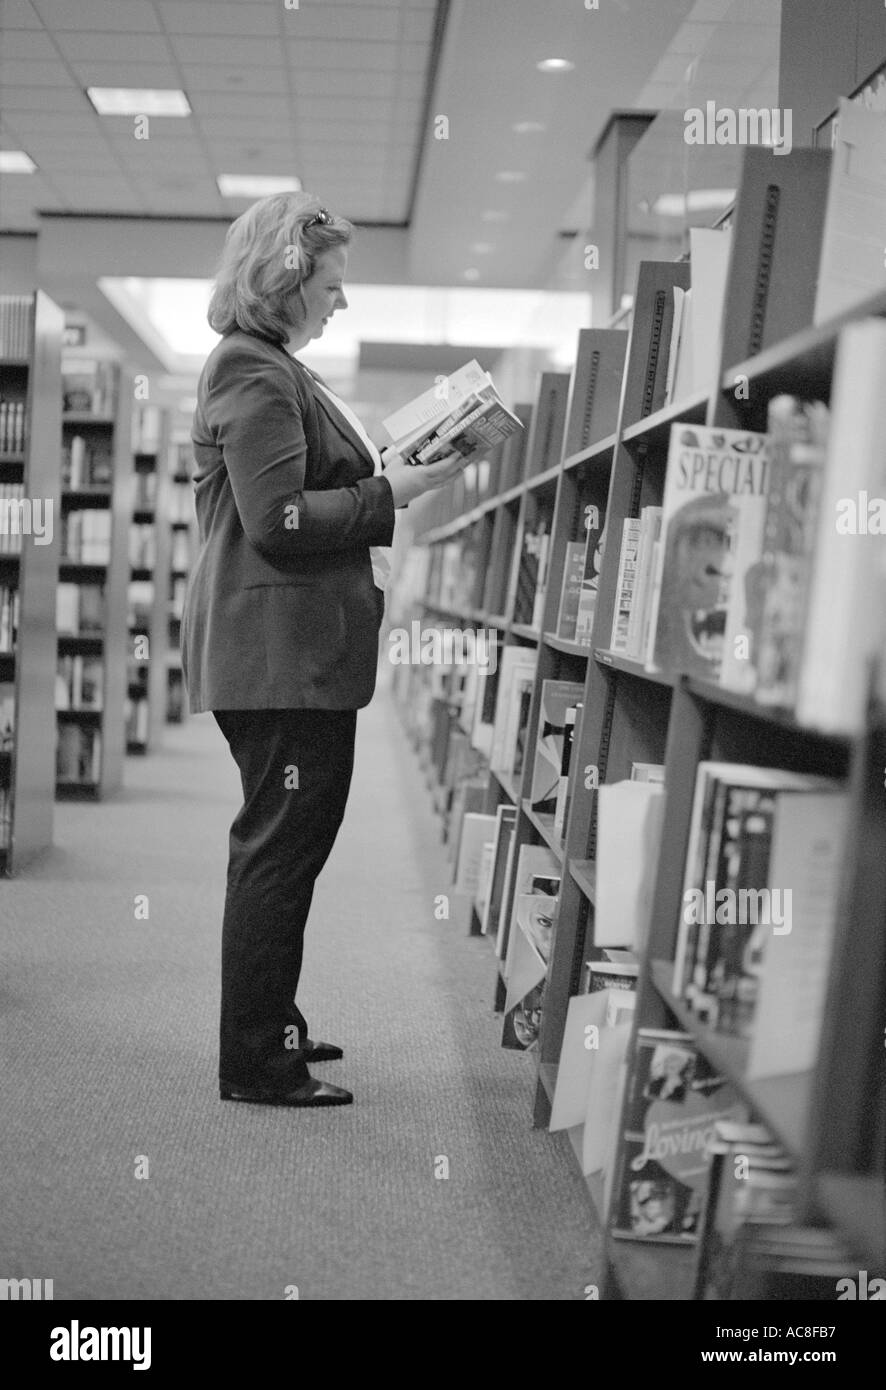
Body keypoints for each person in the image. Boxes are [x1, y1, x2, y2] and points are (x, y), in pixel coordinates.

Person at [181, 192, 470, 1109]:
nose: (341, 303)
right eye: (333, 285)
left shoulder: (274, 370)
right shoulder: (253, 372)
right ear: (288, 279)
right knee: (277, 851)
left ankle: (275, 1023)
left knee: (291, 847)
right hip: (278, 661)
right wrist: (393, 493)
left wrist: (388, 473)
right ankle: (257, 1061)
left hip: (293, 656)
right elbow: (281, 519)